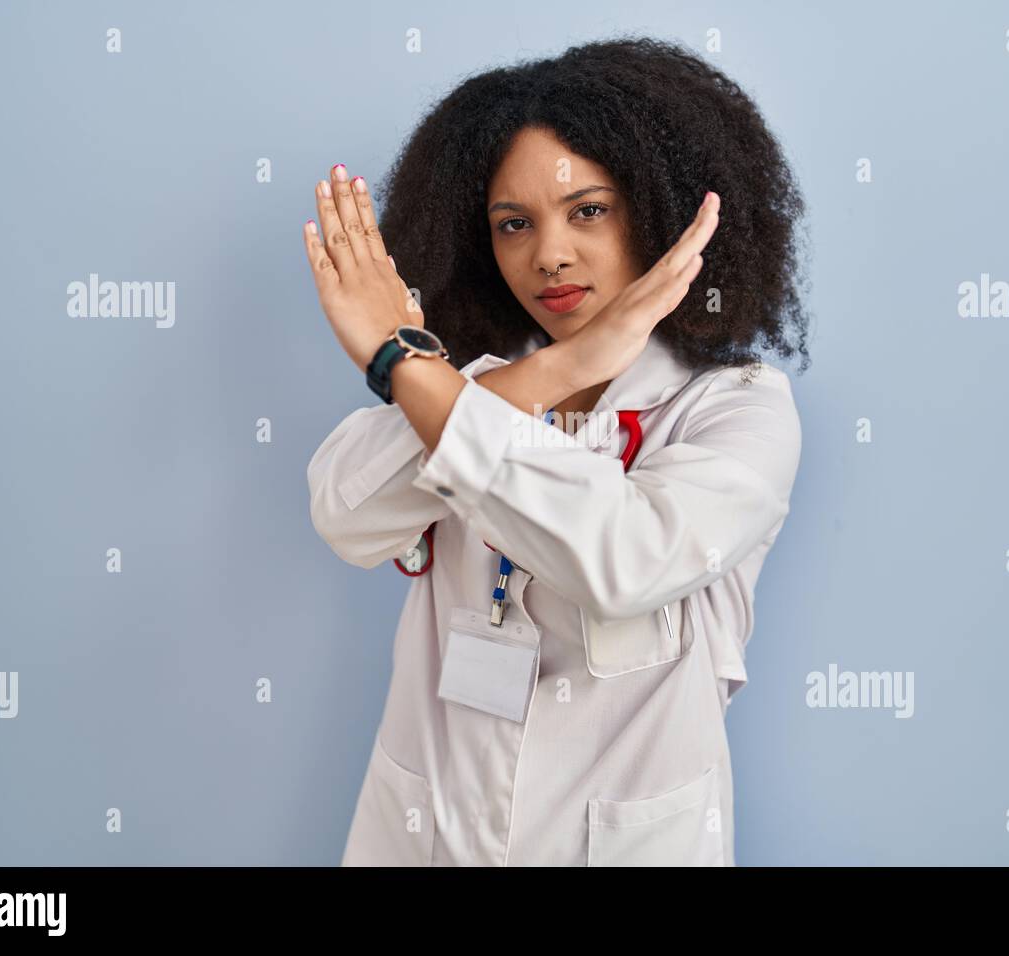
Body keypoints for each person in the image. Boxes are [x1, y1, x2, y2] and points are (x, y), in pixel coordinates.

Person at [303, 36, 809, 866]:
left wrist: (399, 364)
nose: (550, 255)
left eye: (589, 210)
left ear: (660, 205)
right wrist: (557, 369)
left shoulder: (738, 408)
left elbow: (626, 562)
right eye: (514, 224)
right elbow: (347, 514)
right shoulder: (473, 387)